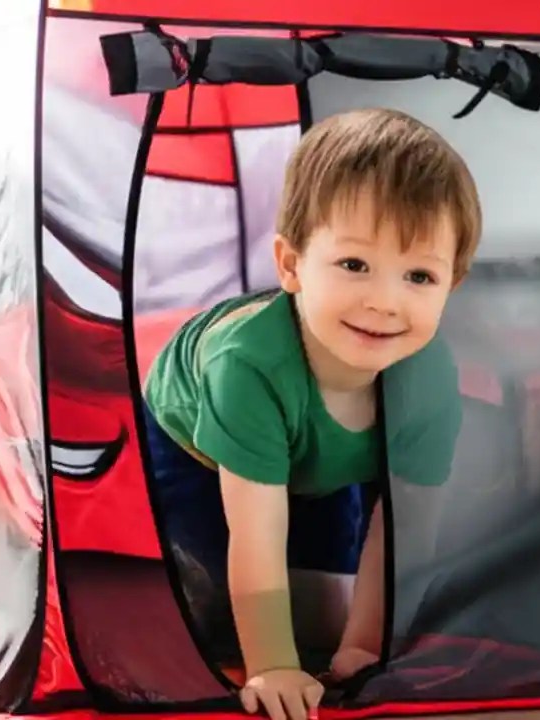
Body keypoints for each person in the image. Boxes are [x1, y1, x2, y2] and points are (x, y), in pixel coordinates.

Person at [142, 107, 482, 720]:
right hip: (192, 443)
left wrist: (364, 646)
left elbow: (405, 527)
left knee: (330, 621)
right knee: (206, 613)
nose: (384, 301)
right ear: (292, 266)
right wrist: (270, 665)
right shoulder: (246, 368)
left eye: (419, 276)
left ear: (451, 286)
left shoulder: (428, 375)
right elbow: (256, 532)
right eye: (354, 265)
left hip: (320, 457)